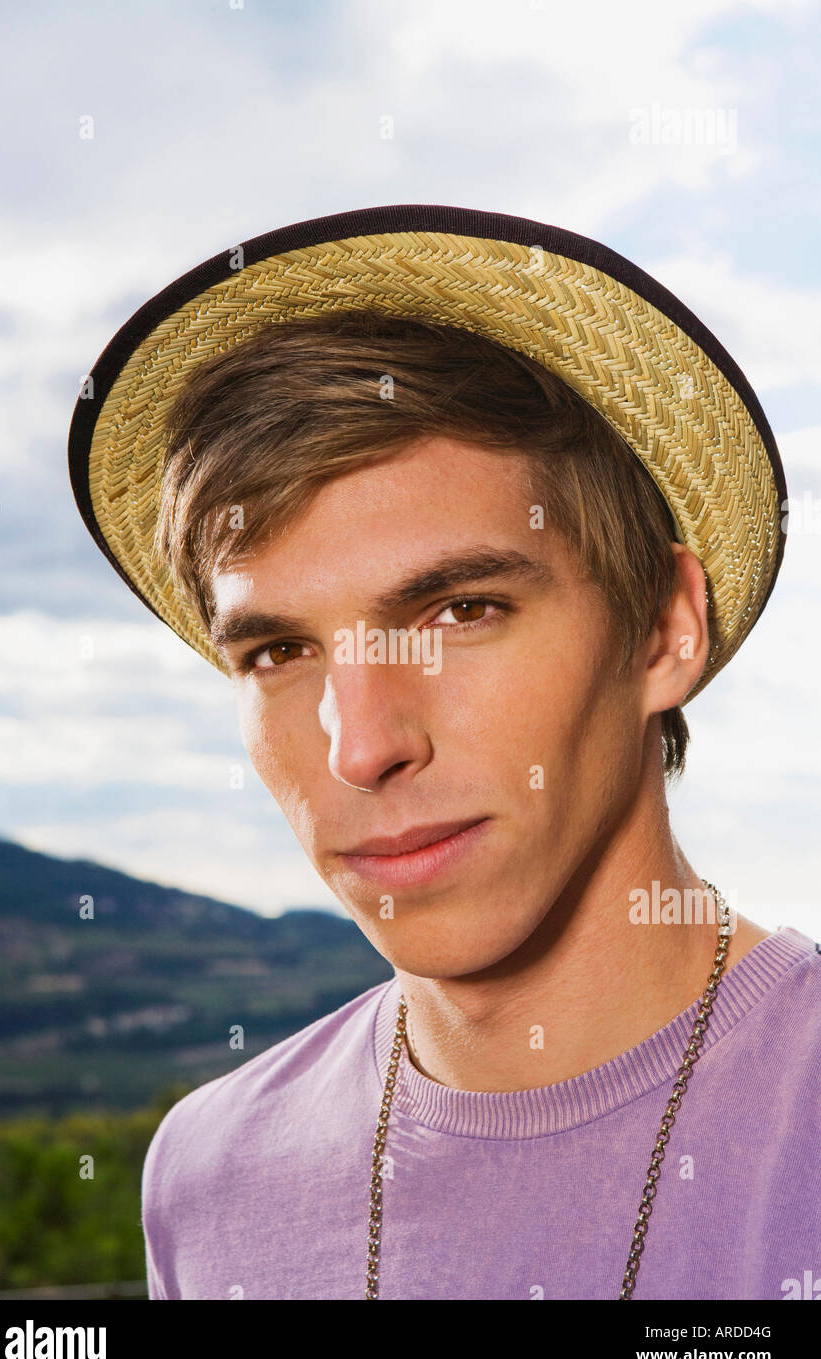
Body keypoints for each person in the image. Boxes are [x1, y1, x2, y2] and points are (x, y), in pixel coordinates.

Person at [68, 205, 820, 1300]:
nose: (362, 744)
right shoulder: (207, 1176)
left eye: (460, 610)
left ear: (663, 629)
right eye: (280, 648)